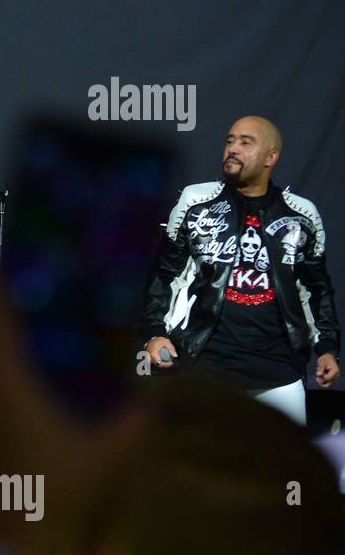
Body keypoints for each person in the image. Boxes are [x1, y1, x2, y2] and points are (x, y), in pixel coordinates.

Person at [140, 115, 340, 424]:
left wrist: (326, 347)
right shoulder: (196, 202)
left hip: (279, 375)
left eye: (246, 143)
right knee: (198, 467)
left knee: (286, 470)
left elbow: (316, 289)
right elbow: (166, 275)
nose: (233, 149)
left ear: (270, 157)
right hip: (205, 369)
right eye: (230, 141)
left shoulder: (301, 216)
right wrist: (154, 333)